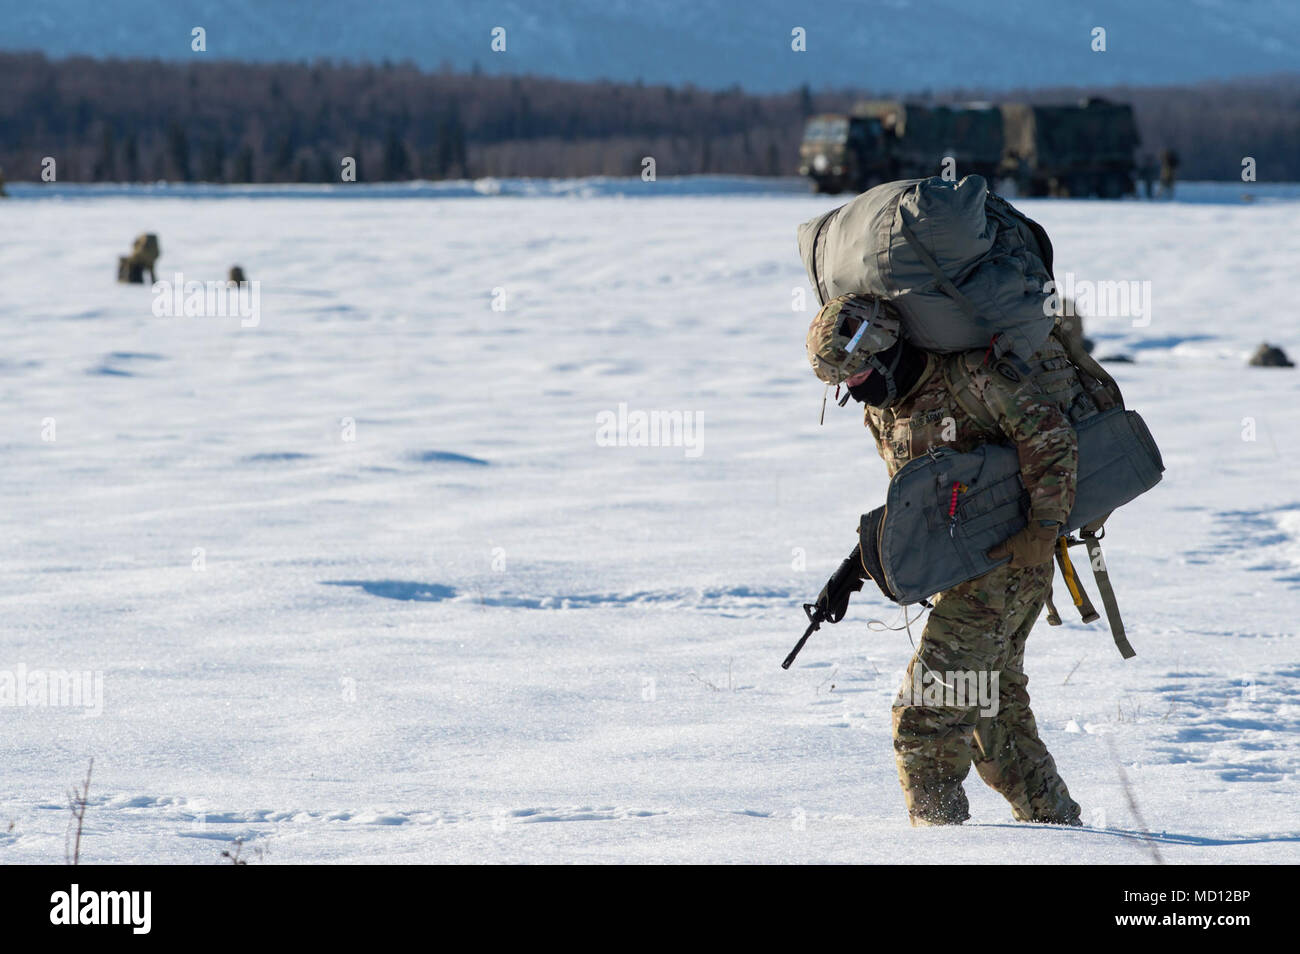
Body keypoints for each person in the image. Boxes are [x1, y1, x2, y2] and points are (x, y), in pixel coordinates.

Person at [806, 293, 1083, 827]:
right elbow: (917, 500)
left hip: (1003, 570)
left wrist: (1043, 530)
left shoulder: (972, 379)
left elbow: (1051, 439)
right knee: (995, 719)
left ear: (887, 348)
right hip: (962, 574)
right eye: (843, 381)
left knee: (923, 722)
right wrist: (857, 565)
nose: (852, 387)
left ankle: (942, 852)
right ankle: (1064, 841)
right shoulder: (883, 411)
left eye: (858, 372)